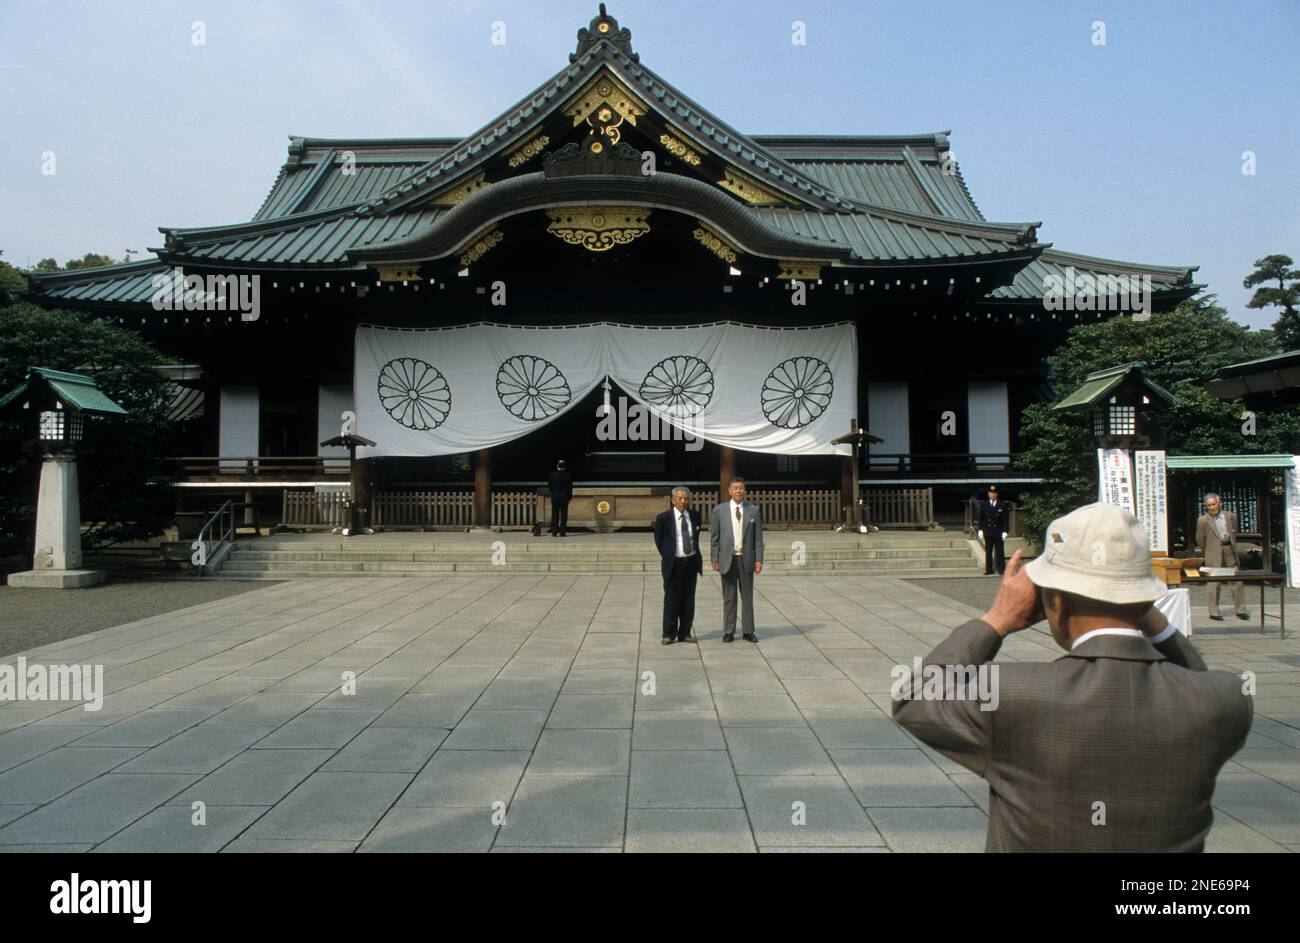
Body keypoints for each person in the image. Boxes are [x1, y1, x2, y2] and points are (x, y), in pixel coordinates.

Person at [893, 502, 1252, 852]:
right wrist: (1147, 616)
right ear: (1144, 598)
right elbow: (1197, 680)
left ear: (1056, 603)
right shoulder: (1227, 699)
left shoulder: (1012, 696)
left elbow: (915, 697)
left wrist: (997, 619)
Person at [710, 477, 763, 643]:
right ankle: (728, 631)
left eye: (741, 488)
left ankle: (748, 631)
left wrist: (759, 559)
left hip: (746, 558)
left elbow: (758, 539)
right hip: (727, 558)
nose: (738, 491)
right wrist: (714, 558)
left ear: (744, 491)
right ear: (729, 491)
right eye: (735, 488)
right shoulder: (719, 511)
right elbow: (715, 538)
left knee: (747, 597)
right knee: (729, 597)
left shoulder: (753, 510)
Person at [653, 486, 702, 645]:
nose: (683, 501)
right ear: (673, 500)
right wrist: (669, 555)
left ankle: (685, 632)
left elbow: (696, 537)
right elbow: (659, 540)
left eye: (686, 498)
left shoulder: (695, 515)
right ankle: (668, 633)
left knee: (688, 600)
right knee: (671, 599)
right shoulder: (664, 518)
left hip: (690, 563)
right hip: (673, 564)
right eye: (680, 498)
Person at [1196, 493, 1248, 622]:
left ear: (1220, 503)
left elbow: (1234, 531)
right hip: (1213, 552)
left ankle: (1240, 610)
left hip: (1229, 549)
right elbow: (1200, 539)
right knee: (1213, 582)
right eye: (1208, 505)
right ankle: (1214, 612)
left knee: (1236, 580)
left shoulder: (1230, 516)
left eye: (1213, 504)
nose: (1212, 507)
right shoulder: (1203, 520)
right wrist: (1207, 549)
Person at [976, 485, 1010, 575]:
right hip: (988, 531)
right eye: (991, 493)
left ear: (997, 494)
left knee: (1000, 552)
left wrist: (1005, 531)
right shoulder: (984, 504)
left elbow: (1005, 519)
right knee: (988, 552)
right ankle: (989, 569)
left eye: (994, 493)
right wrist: (980, 529)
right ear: (988, 494)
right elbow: (981, 518)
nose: (993, 495)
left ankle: (1001, 570)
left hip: (999, 532)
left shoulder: (1002, 504)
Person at [547, 459, 573, 537]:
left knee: (554, 515)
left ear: (557, 466)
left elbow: (550, 487)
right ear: (565, 467)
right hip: (565, 498)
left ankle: (554, 532)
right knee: (564, 515)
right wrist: (569, 497)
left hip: (555, 497)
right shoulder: (568, 476)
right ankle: (562, 532)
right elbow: (570, 488)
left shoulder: (552, 476)